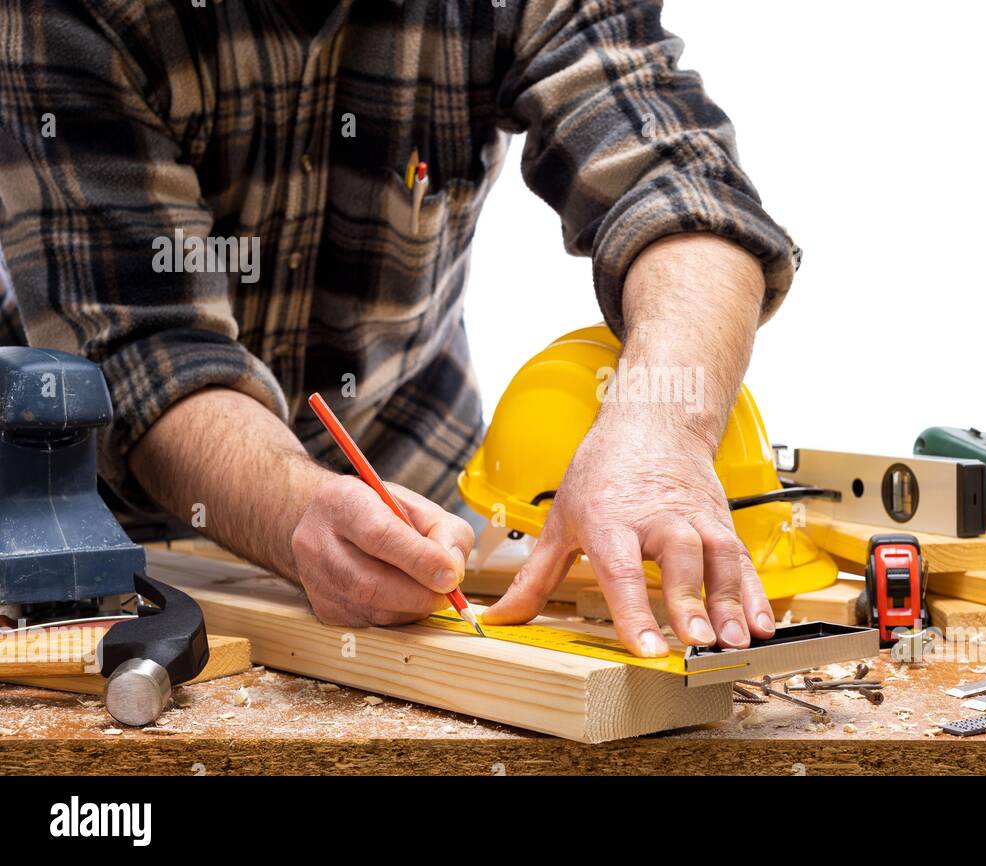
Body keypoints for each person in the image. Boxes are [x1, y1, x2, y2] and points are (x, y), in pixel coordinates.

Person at [0, 0, 799, 658]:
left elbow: (683, 187)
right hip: (110, 555)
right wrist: (291, 507)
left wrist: (661, 432)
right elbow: (147, 355)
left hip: (418, 500)